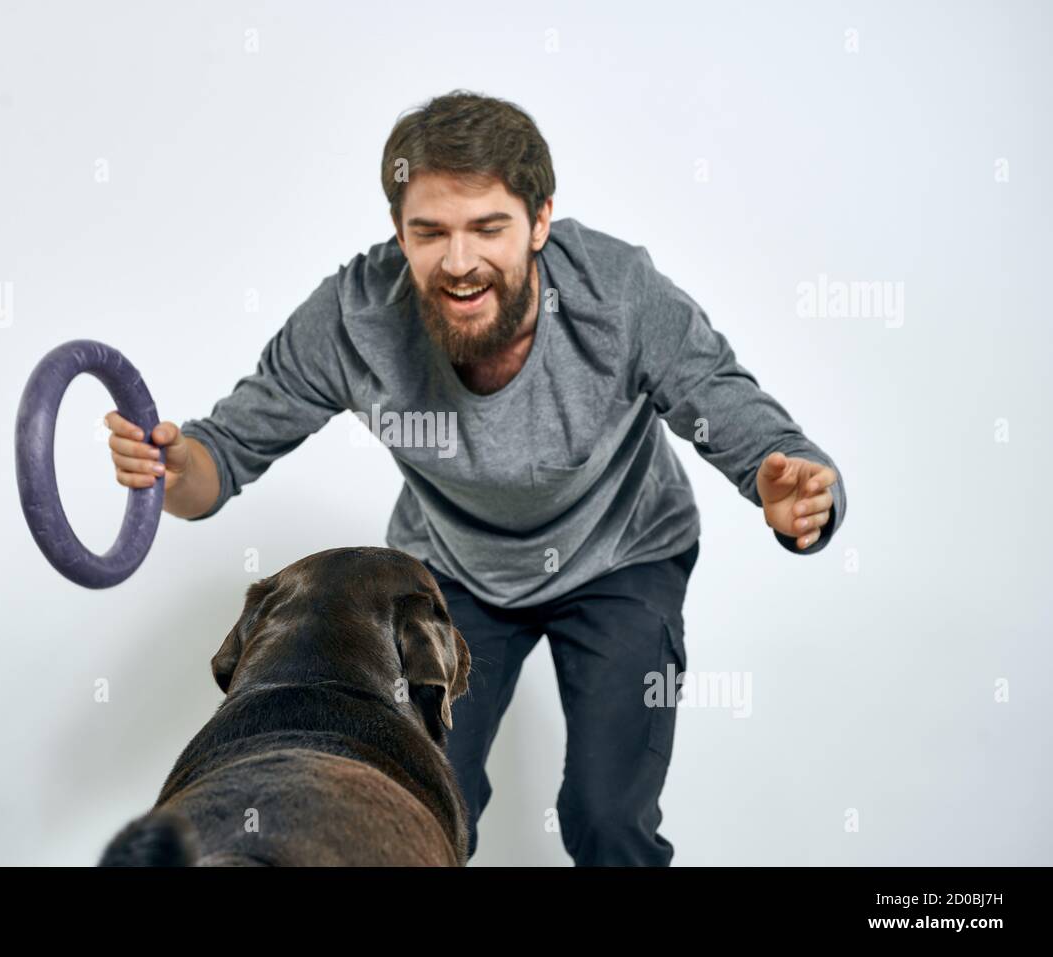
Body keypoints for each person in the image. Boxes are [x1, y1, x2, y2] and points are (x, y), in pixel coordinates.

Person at [105, 90, 847, 866]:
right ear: (399, 231)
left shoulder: (617, 294)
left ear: (540, 220)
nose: (458, 263)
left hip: (621, 558)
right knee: (422, 805)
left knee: (605, 817)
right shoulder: (354, 317)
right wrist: (172, 466)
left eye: (487, 228)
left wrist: (796, 498)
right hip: (453, 573)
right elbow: (217, 464)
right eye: (430, 232)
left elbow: (735, 412)